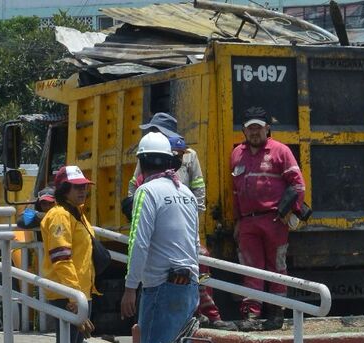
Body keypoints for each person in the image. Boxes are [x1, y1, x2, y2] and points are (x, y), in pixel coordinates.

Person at [122, 131, 201, 343]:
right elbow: (194, 242)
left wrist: (130, 287)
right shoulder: (185, 193)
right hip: (189, 285)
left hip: (161, 288)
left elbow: (138, 243)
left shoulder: (146, 192)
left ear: (142, 163)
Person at [125, 112, 230, 329]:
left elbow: (198, 187)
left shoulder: (188, 155)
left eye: (156, 129)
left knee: (200, 263)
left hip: (182, 220)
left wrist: (191, 214)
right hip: (158, 220)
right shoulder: (151, 153)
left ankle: (208, 312)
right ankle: (197, 312)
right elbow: (134, 187)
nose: (152, 133)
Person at [230, 105, 305, 329]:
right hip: (247, 222)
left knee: (276, 267)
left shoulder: (280, 151)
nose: (254, 132)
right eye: (250, 128)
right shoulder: (237, 154)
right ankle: (251, 316)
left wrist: (289, 212)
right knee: (250, 268)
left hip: (274, 220)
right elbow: (235, 191)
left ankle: (276, 314)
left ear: (267, 128)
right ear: (244, 130)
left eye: (258, 128)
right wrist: (237, 220)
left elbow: (298, 185)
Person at [41, 165, 101, 343]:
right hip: (67, 294)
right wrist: (74, 297)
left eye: (84, 186)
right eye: (76, 187)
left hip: (80, 293)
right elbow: (61, 259)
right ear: (63, 189)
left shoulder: (76, 213)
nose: (82, 191)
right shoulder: (59, 215)